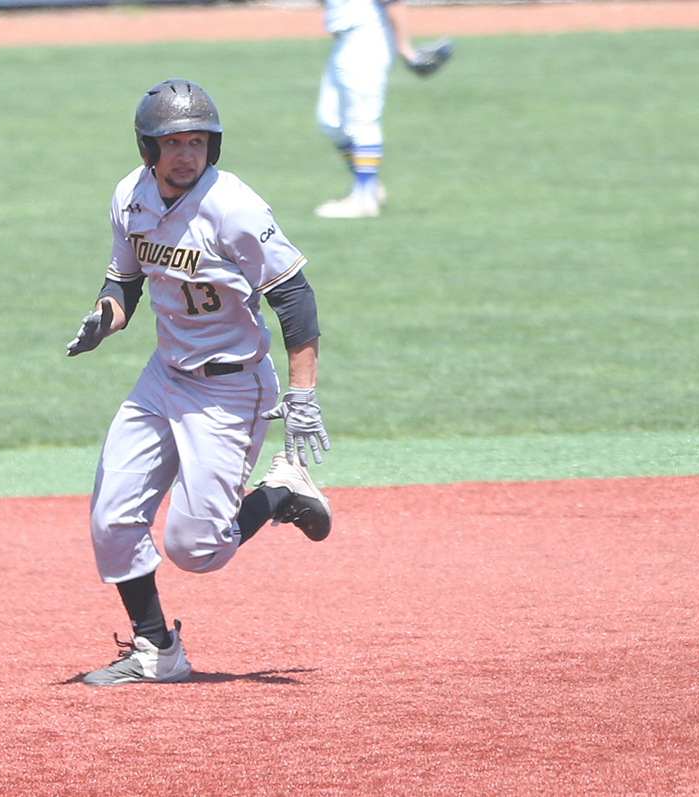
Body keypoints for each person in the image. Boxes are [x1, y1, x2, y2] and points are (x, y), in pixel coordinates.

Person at [65, 78, 334, 685]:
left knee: (197, 551)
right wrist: (104, 321)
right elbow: (125, 282)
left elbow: (294, 298)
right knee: (112, 518)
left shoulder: (233, 206)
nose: (186, 153)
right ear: (147, 149)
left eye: (198, 141)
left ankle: (281, 491)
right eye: (172, 143)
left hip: (232, 388)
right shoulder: (129, 197)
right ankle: (156, 649)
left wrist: (302, 396)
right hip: (163, 378)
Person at [313, 0, 424, 219]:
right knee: (330, 121)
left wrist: (405, 48)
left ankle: (364, 199)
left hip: (367, 37)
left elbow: (394, 2)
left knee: (362, 120)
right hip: (344, 39)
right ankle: (368, 186)